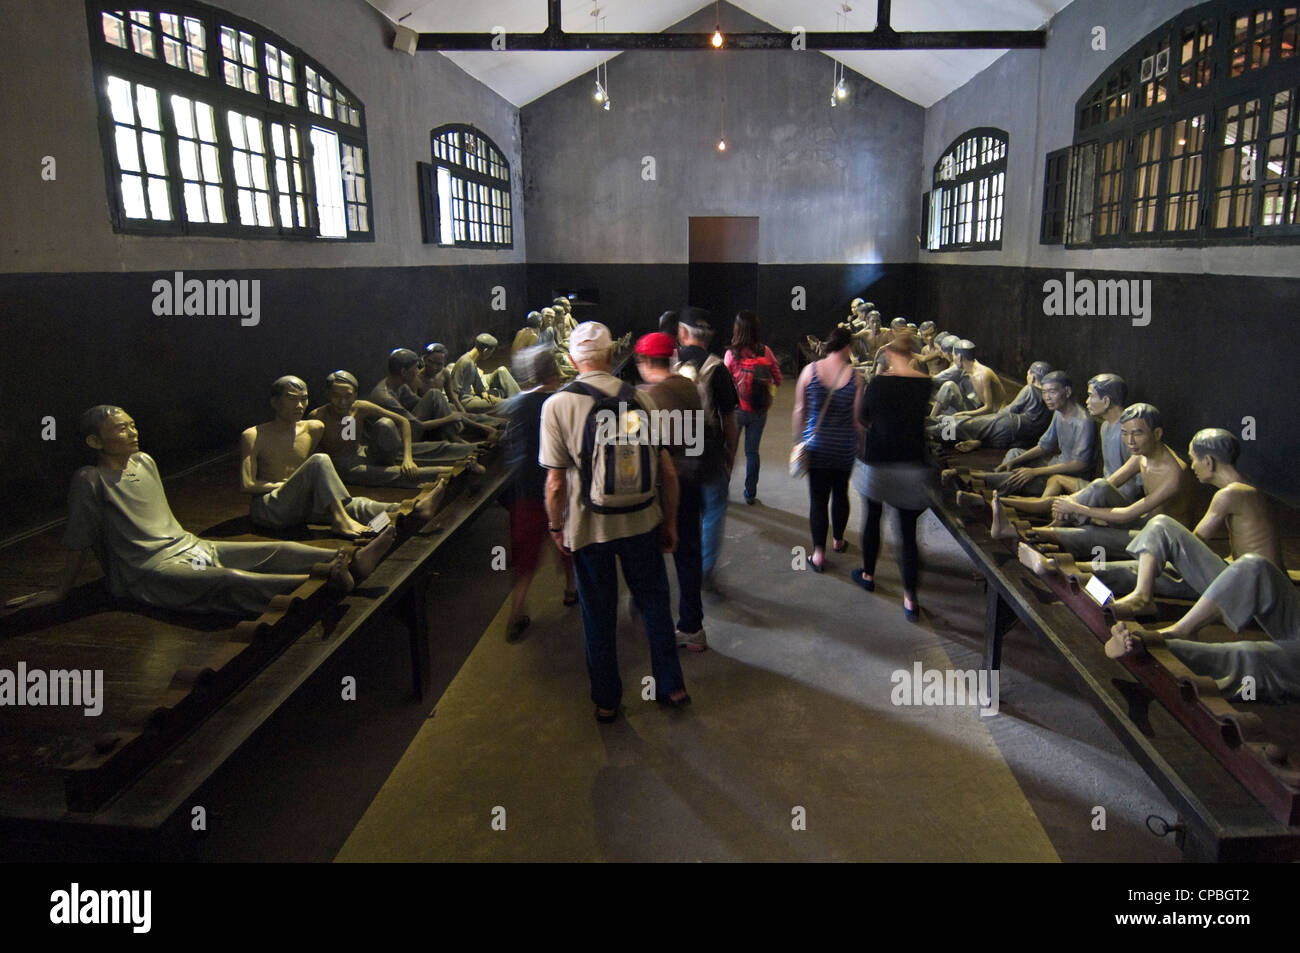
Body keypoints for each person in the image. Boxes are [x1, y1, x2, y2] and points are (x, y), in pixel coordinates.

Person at [5, 405, 394, 617]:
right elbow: (78, 540)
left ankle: (347, 558)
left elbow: (165, 522)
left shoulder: (144, 462)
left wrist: (193, 547)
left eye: (133, 424)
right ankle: (328, 583)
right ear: (94, 440)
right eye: (121, 429)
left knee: (270, 551)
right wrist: (59, 592)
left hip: (188, 545)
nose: (133, 432)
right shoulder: (89, 480)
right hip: (148, 571)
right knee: (229, 578)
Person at [540, 322, 688, 723]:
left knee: (598, 614)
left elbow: (555, 482)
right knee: (656, 604)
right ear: (609, 356)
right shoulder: (640, 399)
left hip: (589, 530)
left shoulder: (556, 405)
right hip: (642, 522)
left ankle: (607, 701)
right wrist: (668, 521)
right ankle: (671, 687)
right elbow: (666, 472)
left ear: (572, 361)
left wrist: (556, 528)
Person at [241, 376, 444, 537]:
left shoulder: (313, 428)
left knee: (359, 506)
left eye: (303, 399)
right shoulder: (254, 435)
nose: (299, 405)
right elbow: (248, 485)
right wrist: (288, 485)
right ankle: (341, 522)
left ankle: (408, 512)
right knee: (320, 461)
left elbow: (343, 440)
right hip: (271, 509)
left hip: (299, 503)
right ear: (275, 402)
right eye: (292, 398)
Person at [851, 334, 934, 620]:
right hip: (912, 462)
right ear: (913, 353)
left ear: (887, 352)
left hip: (879, 460)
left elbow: (863, 417)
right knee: (908, 535)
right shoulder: (925, 383)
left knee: (872, 520)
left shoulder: (880, 382)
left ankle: (868, 574)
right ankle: (911, 598)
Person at [635, 331, 708, 652]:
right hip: (693, 481)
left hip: (665, 488)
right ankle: (692, 627)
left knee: (651, 555)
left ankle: (654, 620)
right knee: (688, 556)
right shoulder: (688, 386)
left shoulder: (651, 397)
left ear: (645, 360)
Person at [500, 346, 576, 641]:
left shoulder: (515, 405)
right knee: (567, 542)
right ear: (555, 371)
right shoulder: (563, 402)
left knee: (526, 559)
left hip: (525, 490)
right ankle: (571, 590)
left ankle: (517, 613)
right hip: (559, 485)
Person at [309, 370, 474, 486]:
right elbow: (312, 455)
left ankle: (472, 449)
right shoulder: (317, 417)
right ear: (328, 395)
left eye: (348, 396)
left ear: (355, 395)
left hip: (362, 452)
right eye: (336, 396)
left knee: (390, 428)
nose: (342, 401)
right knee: (400, 474)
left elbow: (403, 421)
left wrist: (407, 458)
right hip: (346, 467)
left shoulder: (359, 408)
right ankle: (460, 471)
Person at [674, 309, 739, 592]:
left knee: (682, 513)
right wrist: (731, 453)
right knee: (713, 511)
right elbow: (729, 419)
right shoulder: (717, 367)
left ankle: (681, 567)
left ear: (682, 332)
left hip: (676, 453)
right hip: (709, 451)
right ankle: (706, 571)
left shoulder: (670, 364)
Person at [793, 326, 862, 573]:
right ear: (846, 347)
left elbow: (800, 410)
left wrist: (797, 441)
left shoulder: (809, 371)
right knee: (841, 493)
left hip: (817, 446)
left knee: (818, 500)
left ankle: (819, 554)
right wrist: (862, 443)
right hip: (844, 448)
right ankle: (838, 540)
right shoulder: (855, 377)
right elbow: (857, 420)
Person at [723, 310, 782, 505]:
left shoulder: (731, 354)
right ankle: (750, 494)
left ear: (737, 329)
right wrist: (770, 395)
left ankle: (723, 491)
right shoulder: (765, 351)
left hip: (736, 411)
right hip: (759, 410)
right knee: (752, 453)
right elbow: (778, 378)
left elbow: (723, 384)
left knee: (729, 451)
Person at [451, 333, 520, 412]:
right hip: (466, 402)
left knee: (499, 394)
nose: (490, 355)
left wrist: (485, 394)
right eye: (491, 352)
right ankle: (520, 403)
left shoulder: (472, 362)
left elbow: (478, 386)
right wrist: (463, 413)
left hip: (473, 397)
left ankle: (518, 400)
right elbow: (454, 393)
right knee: (507, 404)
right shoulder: (464, 362)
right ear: (486, 351)